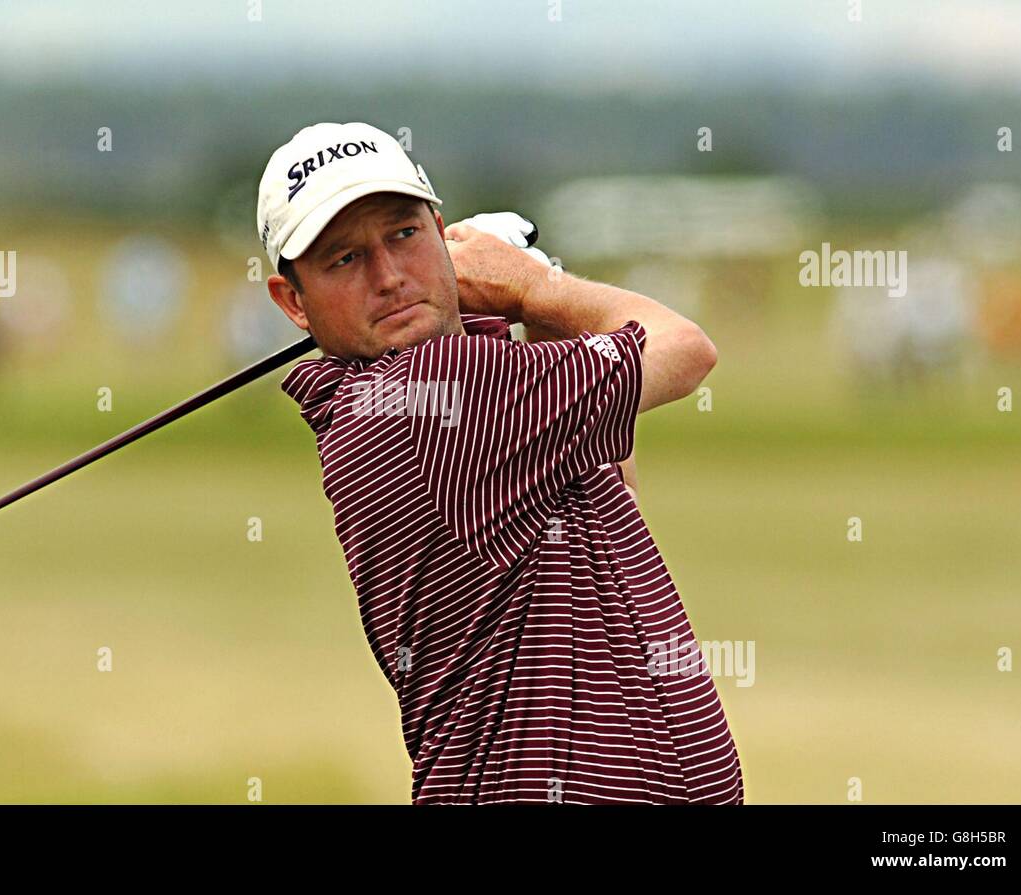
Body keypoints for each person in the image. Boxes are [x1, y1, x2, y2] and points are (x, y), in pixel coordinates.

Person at [258, 121, 743, 804]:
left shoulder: (396, 399)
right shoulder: (435, 397)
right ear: (293, 301)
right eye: (345, 259)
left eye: (405, 234)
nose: (390, 277)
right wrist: (534, 285)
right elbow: (686, 349)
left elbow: (615, 489)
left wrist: (534, 311)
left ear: (441, 232)